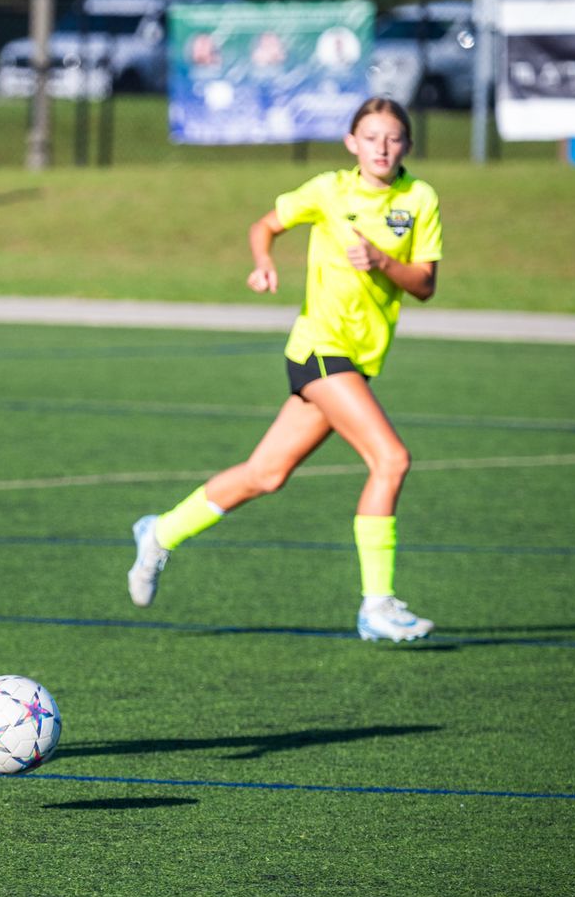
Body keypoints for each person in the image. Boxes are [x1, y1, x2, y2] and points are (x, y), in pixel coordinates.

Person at [126, 97, 442, 643]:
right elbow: (265, 225)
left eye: (393, 138)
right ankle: (377, 605)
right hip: (319, 349)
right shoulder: (328, 191)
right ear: (352, 143)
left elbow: (426, 285)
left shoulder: (419, 199)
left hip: (359, 359)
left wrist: (384, 261)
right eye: (371, 137)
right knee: (390, 459)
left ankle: (160, 532)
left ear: (407, 145)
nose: (382, 148)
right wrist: (264, 261)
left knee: (265, 475)